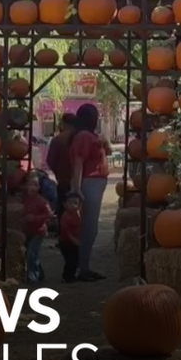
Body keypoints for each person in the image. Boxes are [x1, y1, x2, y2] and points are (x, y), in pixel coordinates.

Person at [68, 104, 111, 281]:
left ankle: (83, 266)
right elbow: (79, 162)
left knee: (89, 227)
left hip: (94, 183)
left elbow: (107, 151)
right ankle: (82, 268)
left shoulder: (90, 136)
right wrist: (77, 188)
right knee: (89, 227)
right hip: (90, 182)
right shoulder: (84, 137)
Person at [20, 171, 53, 284]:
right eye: (30, 184)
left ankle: (33, 278)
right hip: (28, 231)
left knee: (31, 254)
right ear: (26, 186)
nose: (33, 187)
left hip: (39, 231)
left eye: (36, 185)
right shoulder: (25, 200)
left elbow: (49, 214)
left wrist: (36, 218)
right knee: (31, 254)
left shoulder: (41, 201)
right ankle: (40, 273)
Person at [45, 113, 76, 215]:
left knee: (63, 213)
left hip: (63, 181)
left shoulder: (57, 140)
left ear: (64, 123)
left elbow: (50, 161)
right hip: (81, 182)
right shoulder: (80, 137)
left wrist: (59, 172)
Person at [58, 192, 82, 282]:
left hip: (74, 241)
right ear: (65, 204)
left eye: (76, 203)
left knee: (75, 259)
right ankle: (67, 276)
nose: (73, 205)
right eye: (70, 203)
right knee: (70, 260)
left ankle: (72, 275)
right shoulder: (66, 217)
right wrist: (74, 240)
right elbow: (65, 231)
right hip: (66, 242)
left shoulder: (77, 214)